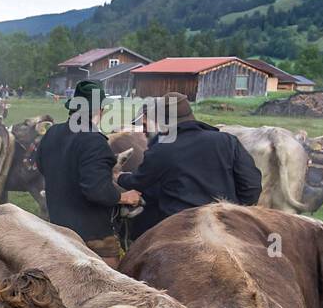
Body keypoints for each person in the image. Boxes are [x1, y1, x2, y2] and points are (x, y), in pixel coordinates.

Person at [117, 91, 262, 241]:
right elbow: (251, 185)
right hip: (225, 224)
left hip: (179, 228)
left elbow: (140, 181)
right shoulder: (228, 141)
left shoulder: (161, 149)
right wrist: (234, 212)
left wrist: (119, 177)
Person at [35, 79, 141, 267]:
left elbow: (43, 167)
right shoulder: (94, 141)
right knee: (110, 287)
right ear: (100, 110)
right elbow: (97, 190)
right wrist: (125, 197)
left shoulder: (52, 134)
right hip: (93, 237)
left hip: (58, 229)